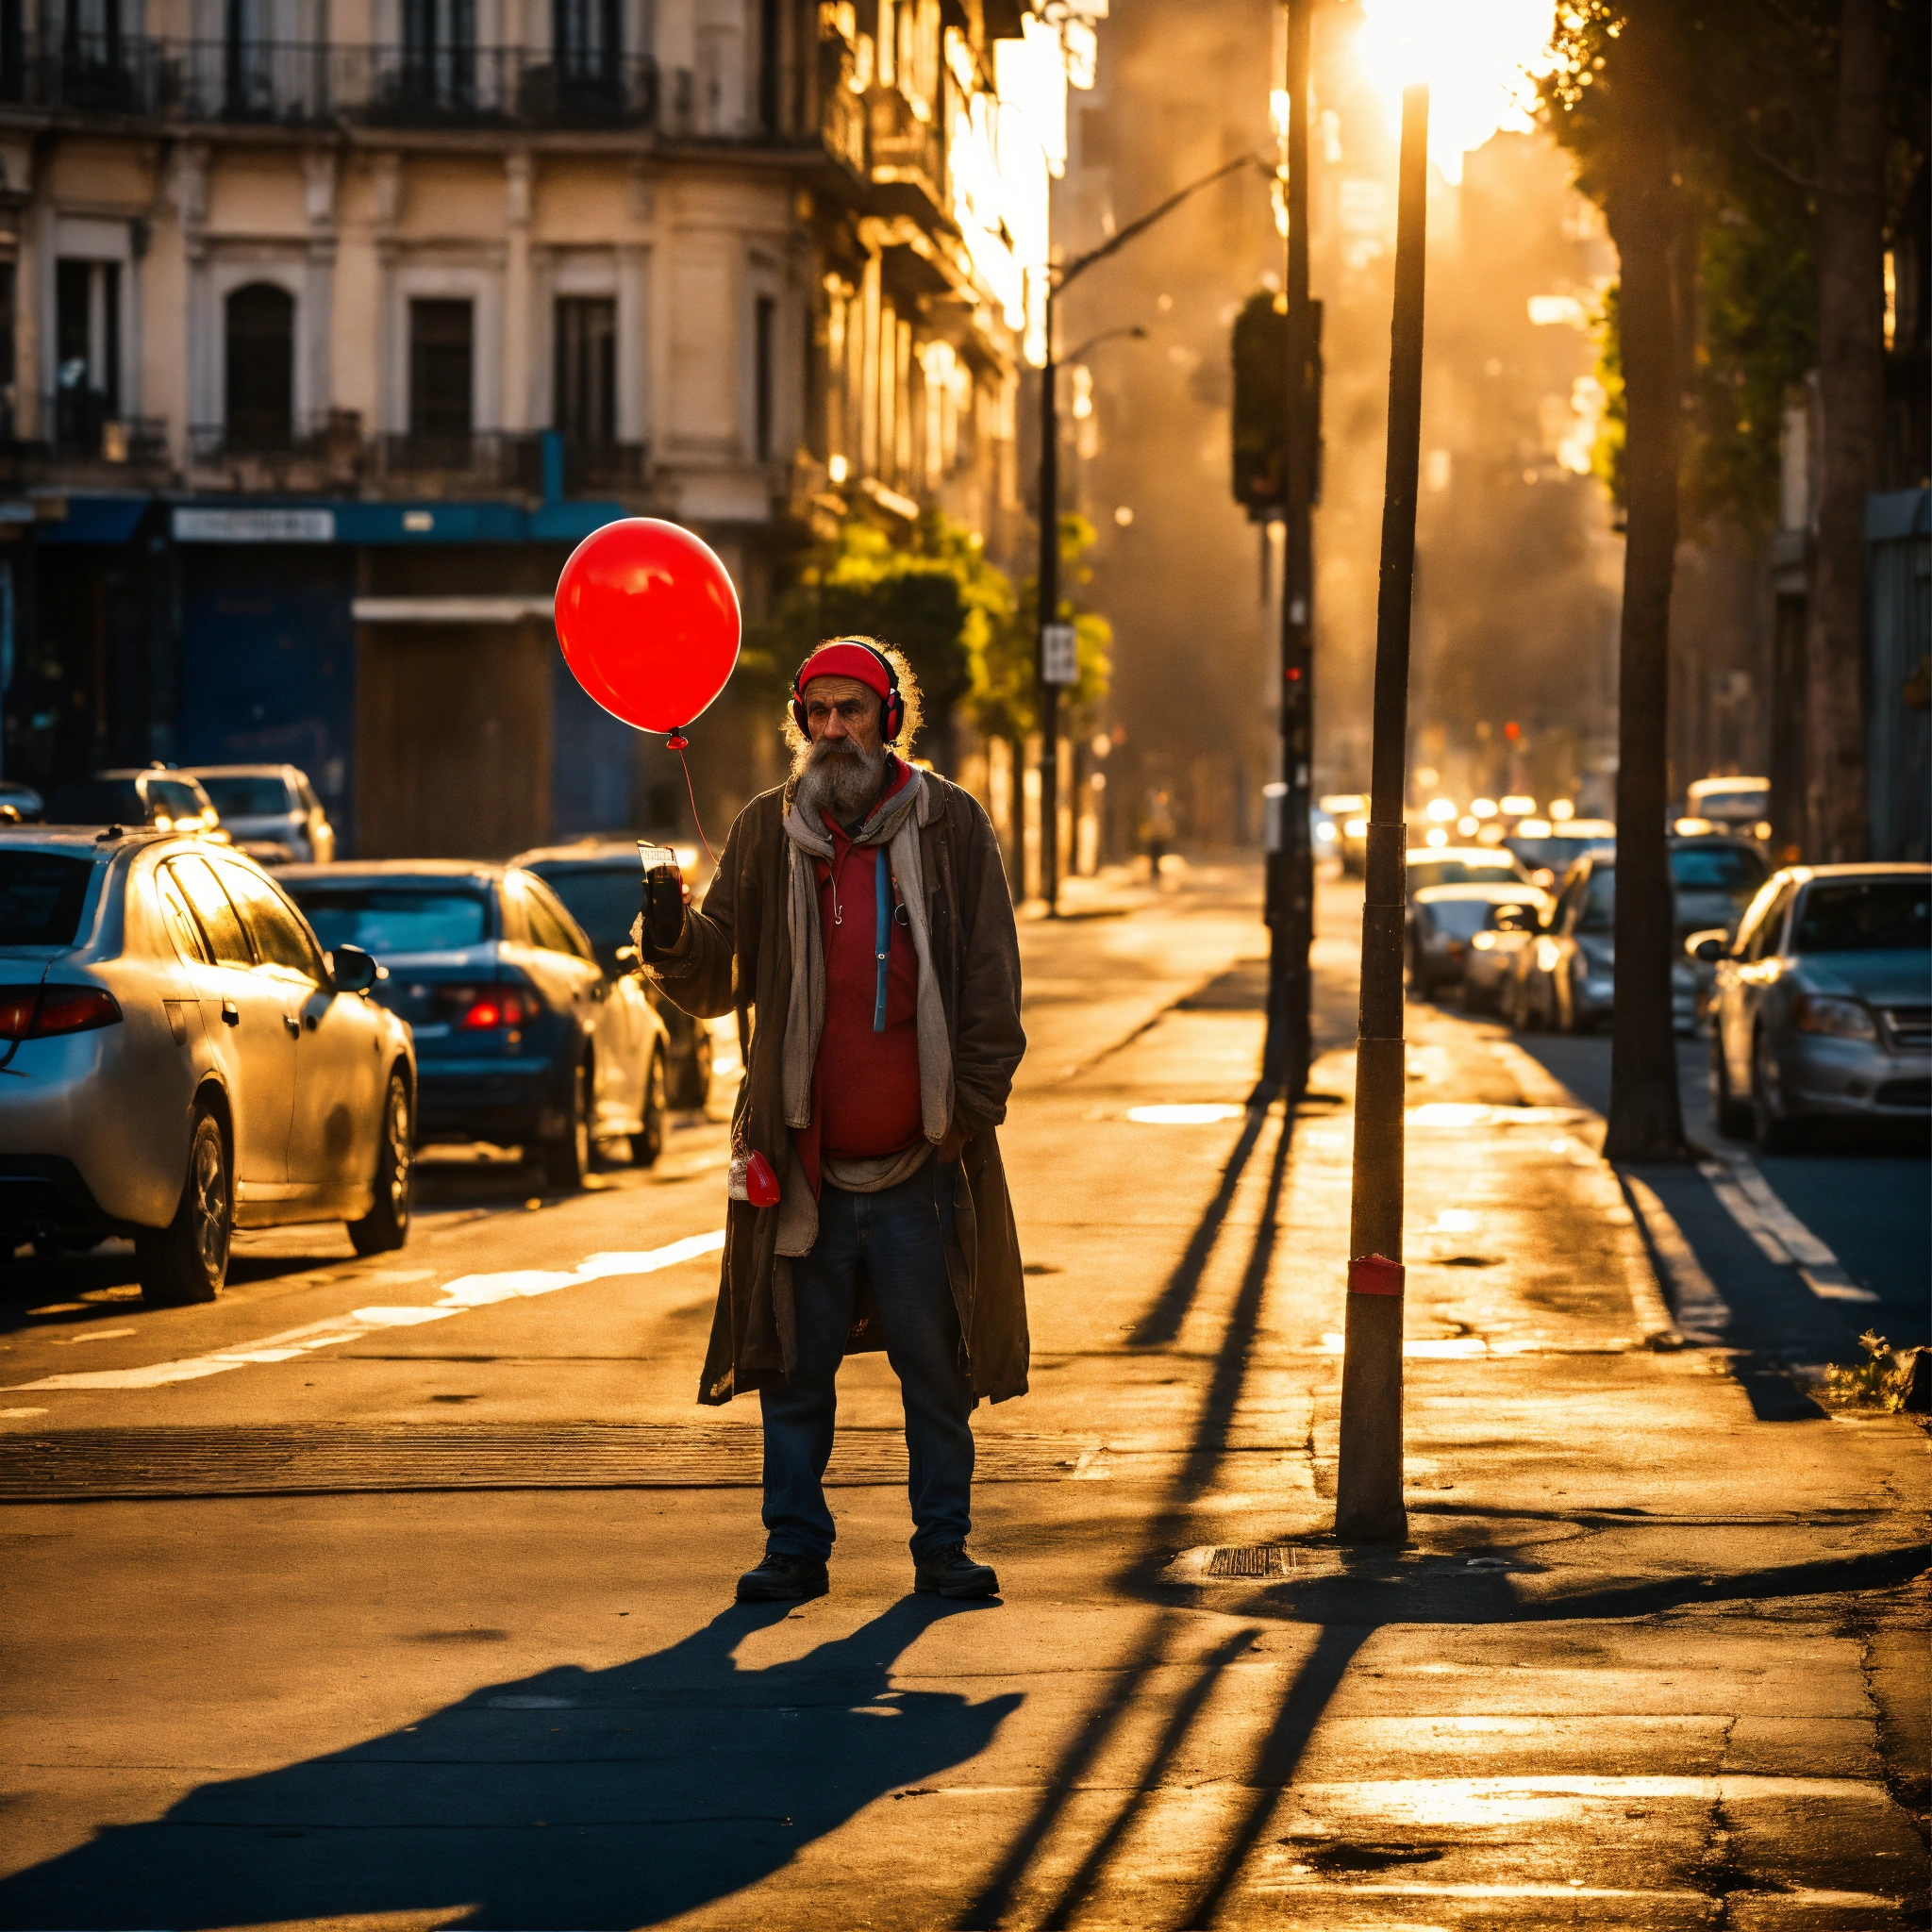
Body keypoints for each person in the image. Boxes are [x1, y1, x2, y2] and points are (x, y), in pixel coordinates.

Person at [636, 638, 1028, 1604]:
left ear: (890, 719)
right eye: (816, 712)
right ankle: (794, 1547)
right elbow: (721, 968)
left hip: (921, 1165)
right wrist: (673, 936)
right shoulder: (768, 832)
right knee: (794, 1371)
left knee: (935, 1373)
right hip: (802, 1166)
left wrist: (968, 1110)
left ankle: (942, 1545)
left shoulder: (950, 824)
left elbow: (989, 977)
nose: (831, 729)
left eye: (852, 709)